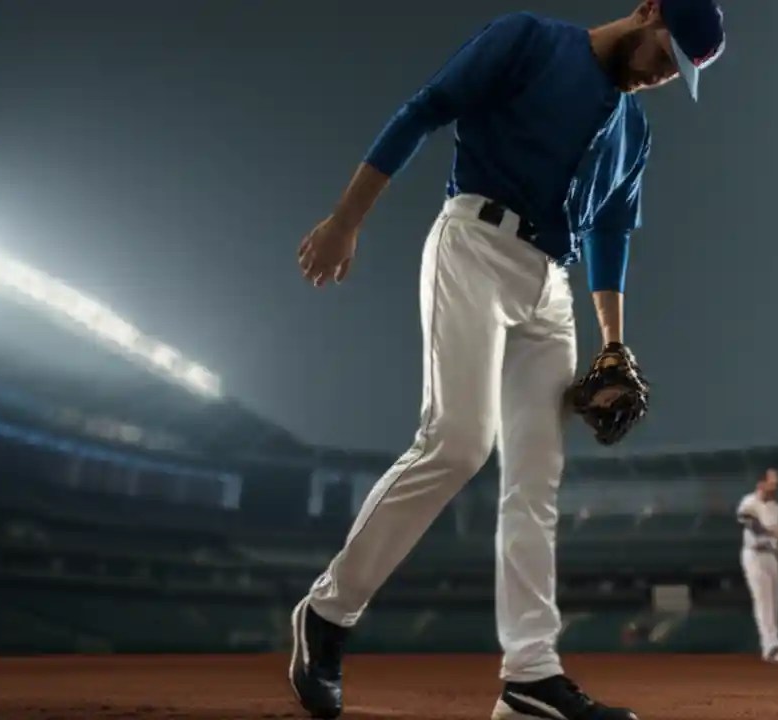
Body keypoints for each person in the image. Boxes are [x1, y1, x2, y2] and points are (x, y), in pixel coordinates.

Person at [289, 3, 726, 719]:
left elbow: (612, 234)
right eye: (663, 54)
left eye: (676, 73)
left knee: (536, 478)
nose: (660, 76)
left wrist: (614, 341)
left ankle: (530, 677)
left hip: (550, 285)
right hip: (474, 243)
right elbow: (425, 109)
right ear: (648, 11)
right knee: (458, 442)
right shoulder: (530, 40)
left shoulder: (634, 128)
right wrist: (346, 220)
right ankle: (328, 613)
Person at [736, 469, 778, 663]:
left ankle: (774, 645)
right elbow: (753, 525)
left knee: (774, 600)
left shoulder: (775, 507)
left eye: (776, 482)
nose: (775, 486)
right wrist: (776, 532)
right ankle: (770, 646)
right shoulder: (749, 501)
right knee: (763, 600)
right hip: (754, 554)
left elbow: (775, 534)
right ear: (760, 483)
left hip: (771, 555)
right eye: (772, 482)